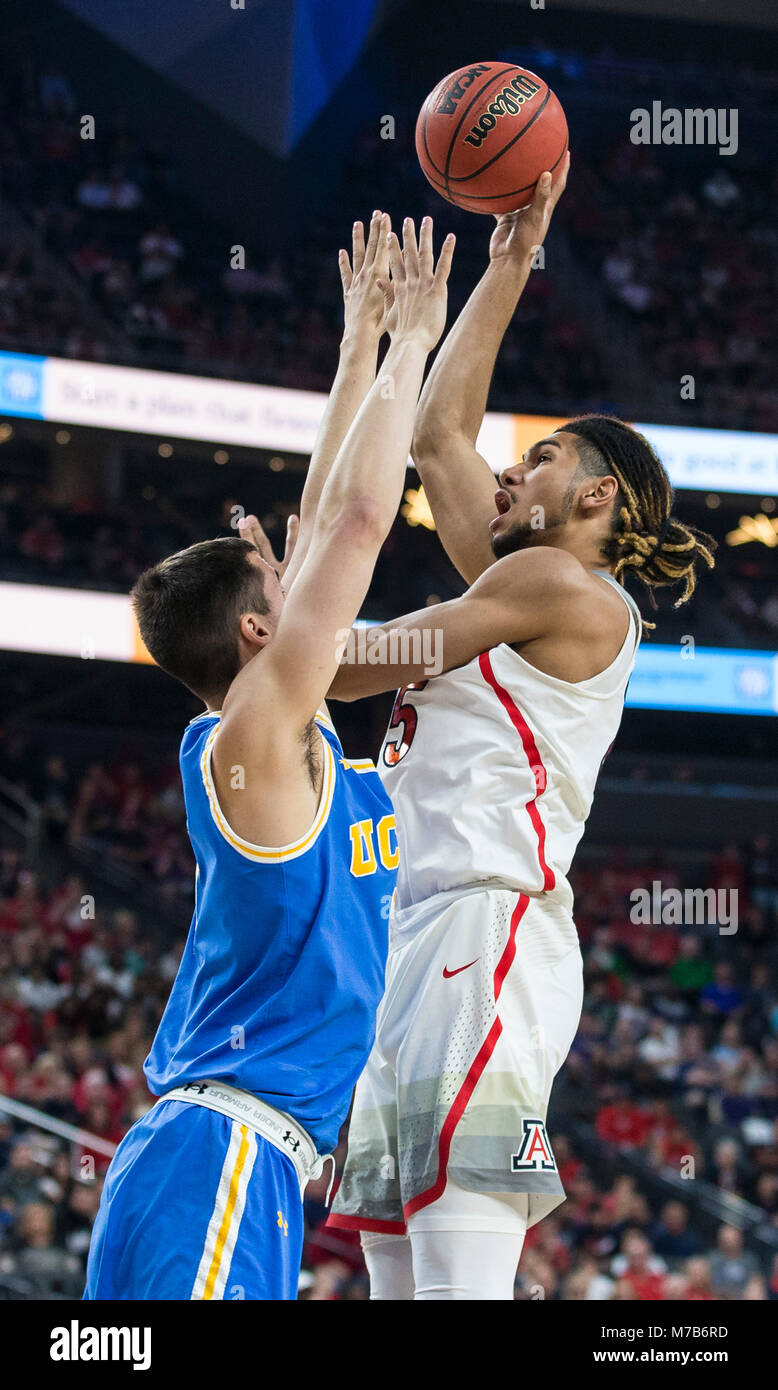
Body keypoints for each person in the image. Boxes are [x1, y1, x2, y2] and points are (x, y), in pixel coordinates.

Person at [319, 157, 715, 1298]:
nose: (507, 463)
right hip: (416, 935)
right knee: (396, 1267)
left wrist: (271, 637)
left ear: (595, 496)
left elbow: (352, 667)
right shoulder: (516, 583)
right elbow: (439, 435)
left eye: (538, 456)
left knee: (458, 1271)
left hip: (487, 934)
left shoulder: (560, 591)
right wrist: (508, 262)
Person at [83, 210, 456, 1299]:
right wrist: (412, 345)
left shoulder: (299, 739)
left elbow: (321, 511)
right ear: (259, 633)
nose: (298, 587)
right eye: (277, 595)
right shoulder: (250, 736)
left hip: (239, 1165)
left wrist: (356, 348)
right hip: (223, 1157)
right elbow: (349, 525)